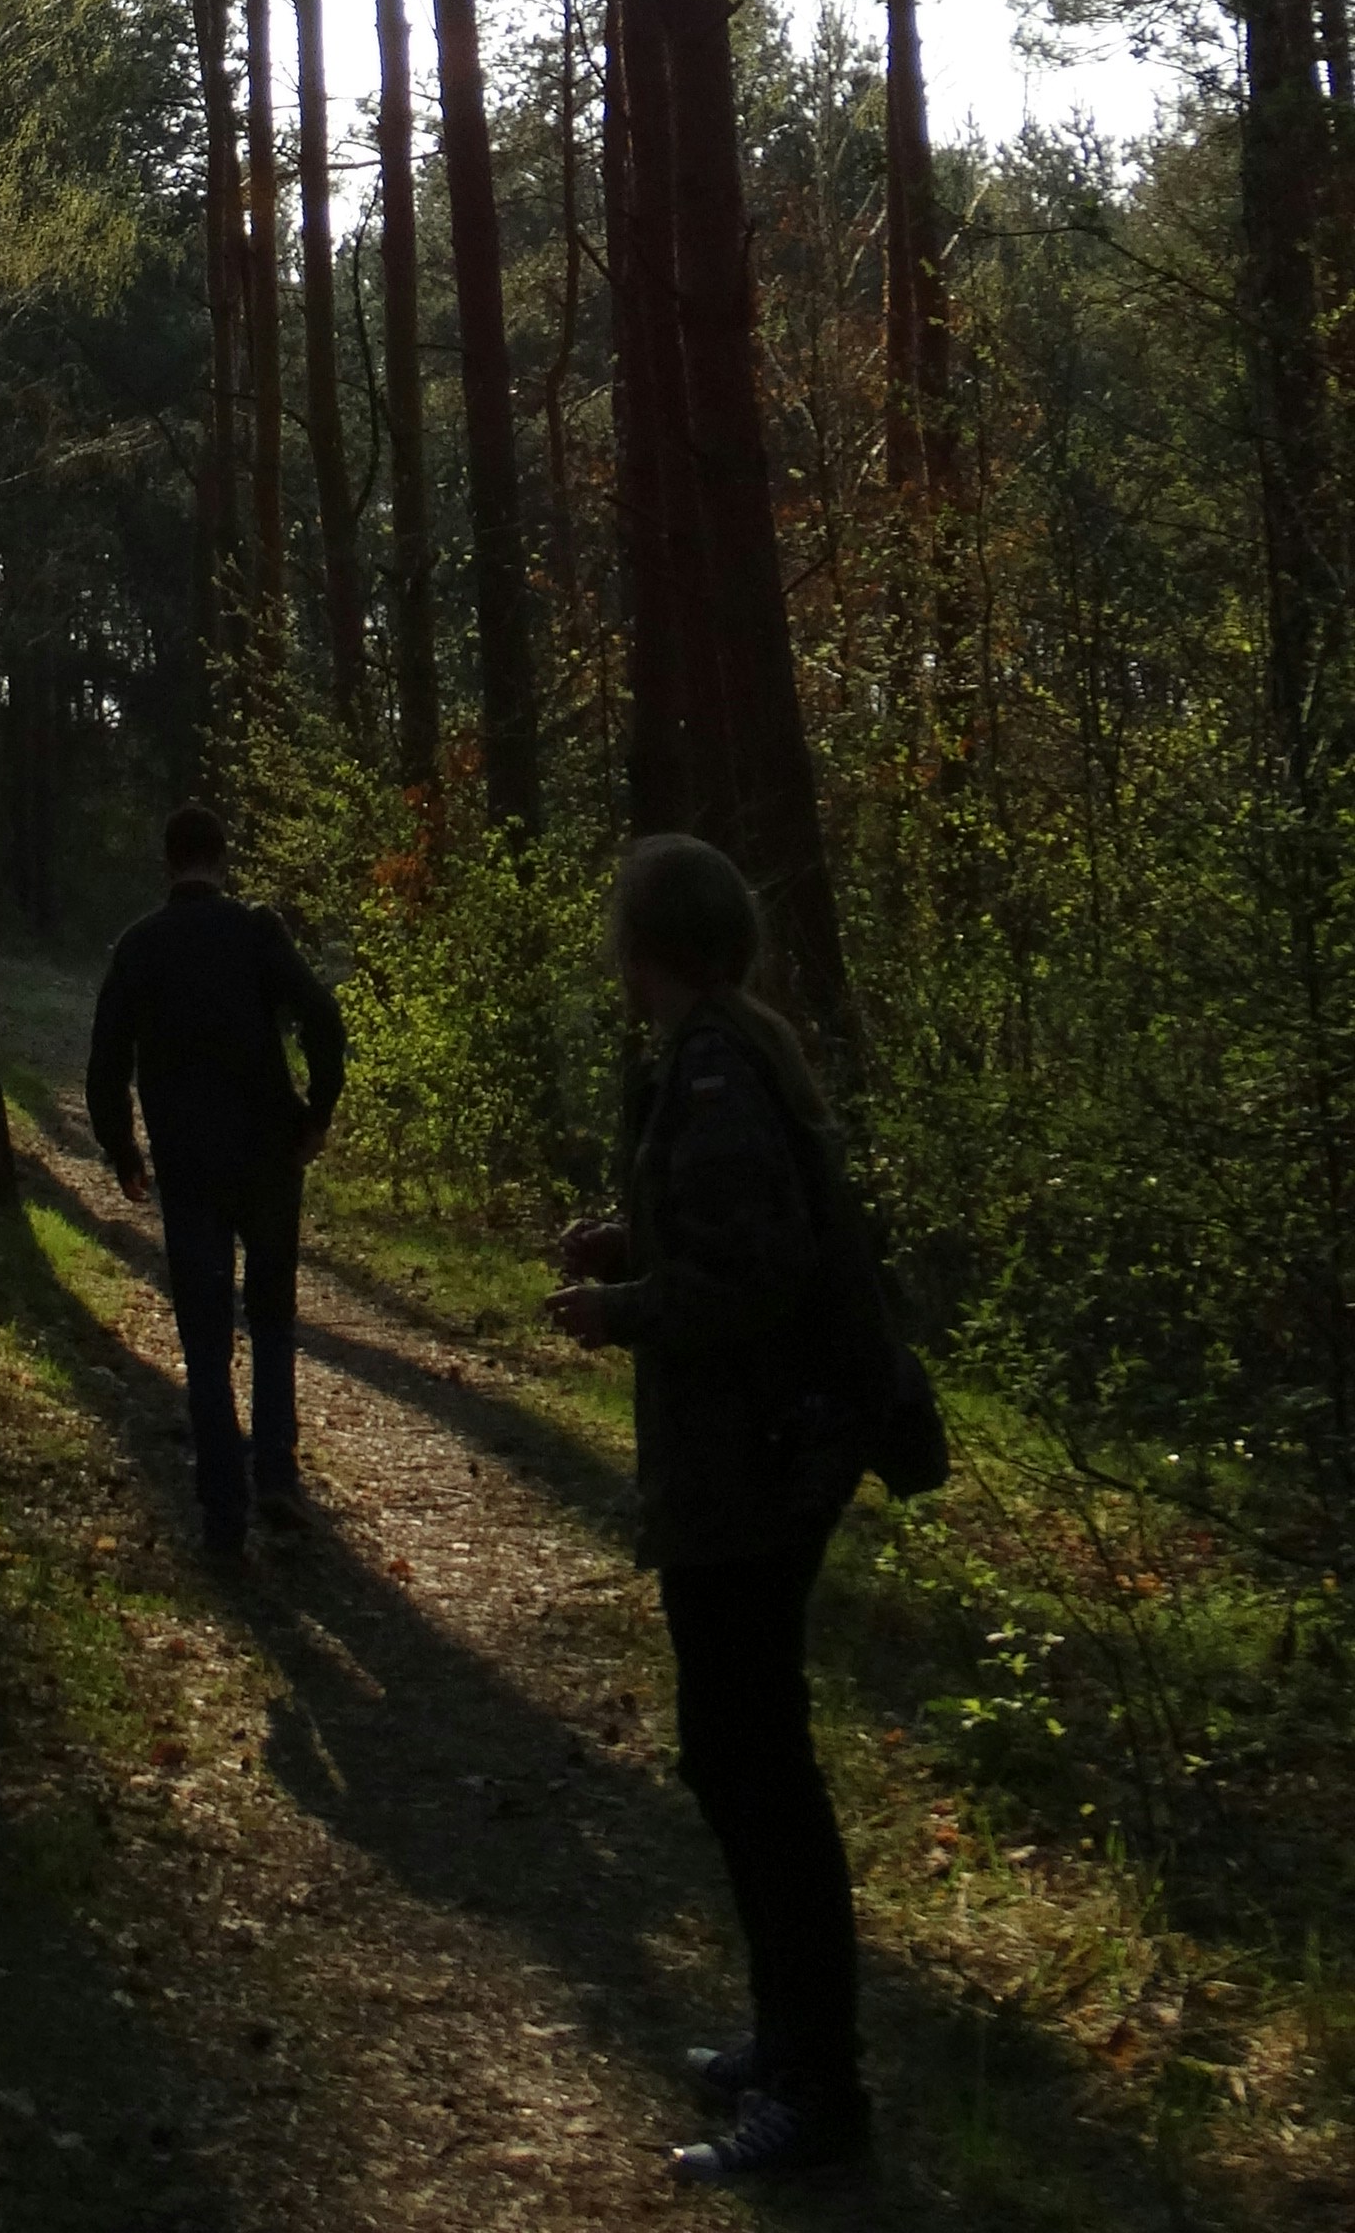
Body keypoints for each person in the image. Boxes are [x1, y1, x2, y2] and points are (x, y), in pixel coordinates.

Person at [549, 832, 872, 2192]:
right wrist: (633, 1244)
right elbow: (743, 1241)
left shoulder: (722, 1070)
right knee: (738, 1762)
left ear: (653, 948)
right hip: (746, 1472)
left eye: (622, 933)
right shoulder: (725, 1055)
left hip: (750, 1473)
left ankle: (817, 2095)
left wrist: (619, 1308)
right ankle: (790, 2044)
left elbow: (760, 1278)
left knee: (757, 1773)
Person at [87, 799, 345, 1564]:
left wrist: (123, 1150)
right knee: (270, 1319)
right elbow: (323, 1019)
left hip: (188, 1164)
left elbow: (106, 1065)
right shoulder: (257, 931)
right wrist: (317, 1113)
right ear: (222, 858)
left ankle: (222, 1515)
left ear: (167, 862)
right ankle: (275, 1474)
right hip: (268, 1154)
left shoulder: (139, 946)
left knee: (205, 1336)